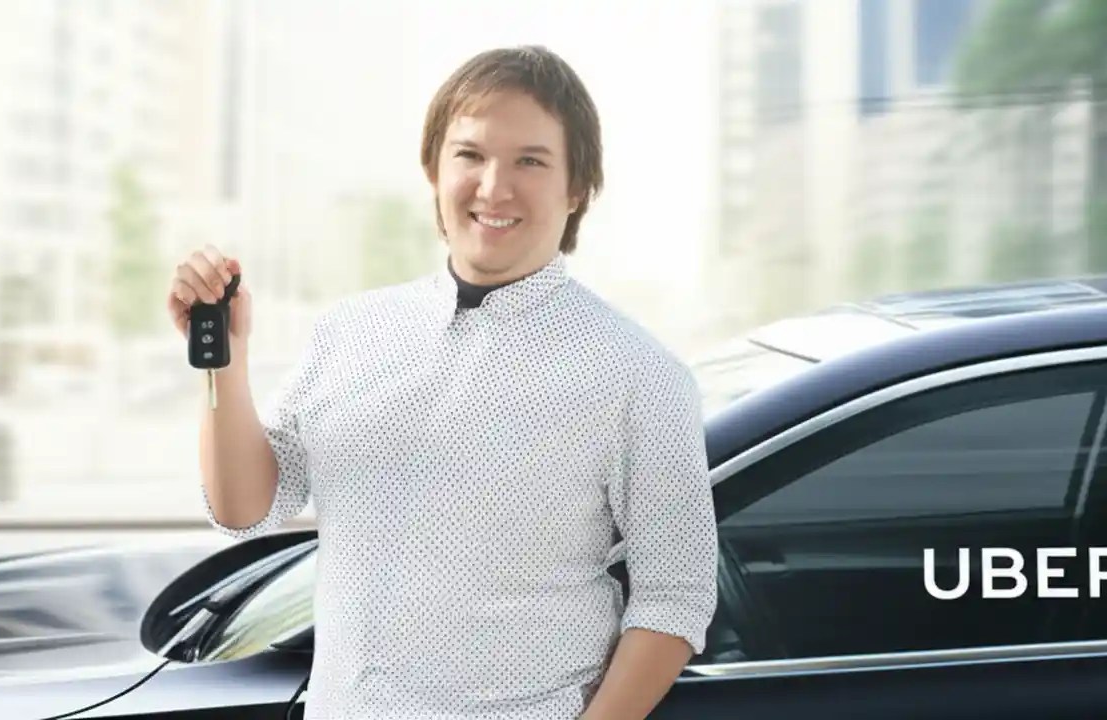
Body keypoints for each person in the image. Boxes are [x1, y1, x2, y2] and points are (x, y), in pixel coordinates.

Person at [166, 45, 717, 720]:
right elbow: (245, 507)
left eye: (531, 161)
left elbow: (675, 597)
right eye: (470, 155)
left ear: (578, 189)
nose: (493, 187)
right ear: (434, 169)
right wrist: (225, 362)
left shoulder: (639, 375)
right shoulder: (352, 330)